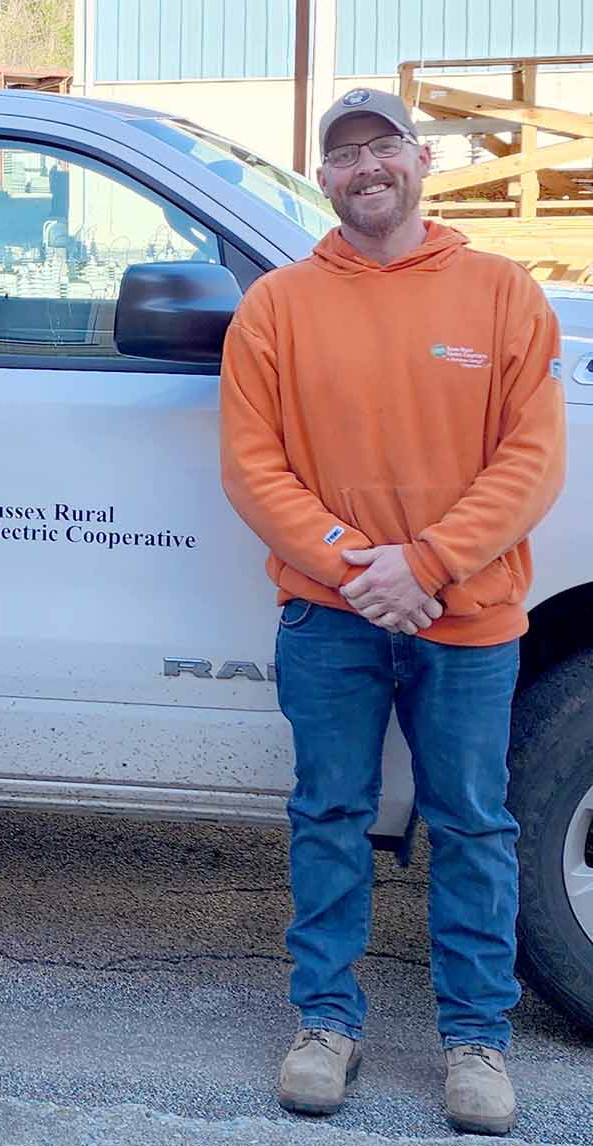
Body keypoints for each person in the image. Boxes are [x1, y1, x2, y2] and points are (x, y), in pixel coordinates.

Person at [219, 88, 566, 1136]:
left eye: (382, 148)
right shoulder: (276, 306)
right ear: (319, 179)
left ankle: (475, 1042)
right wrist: (348, 565)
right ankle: (324, 1023)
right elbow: (250, 465)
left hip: (465, 615)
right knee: (326, 814)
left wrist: (424, 563)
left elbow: (531, 460)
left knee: (470, 821)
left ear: (418, 160)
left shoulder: (502, 295)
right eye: (343, 155)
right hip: (328, 618)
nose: (365, 167)